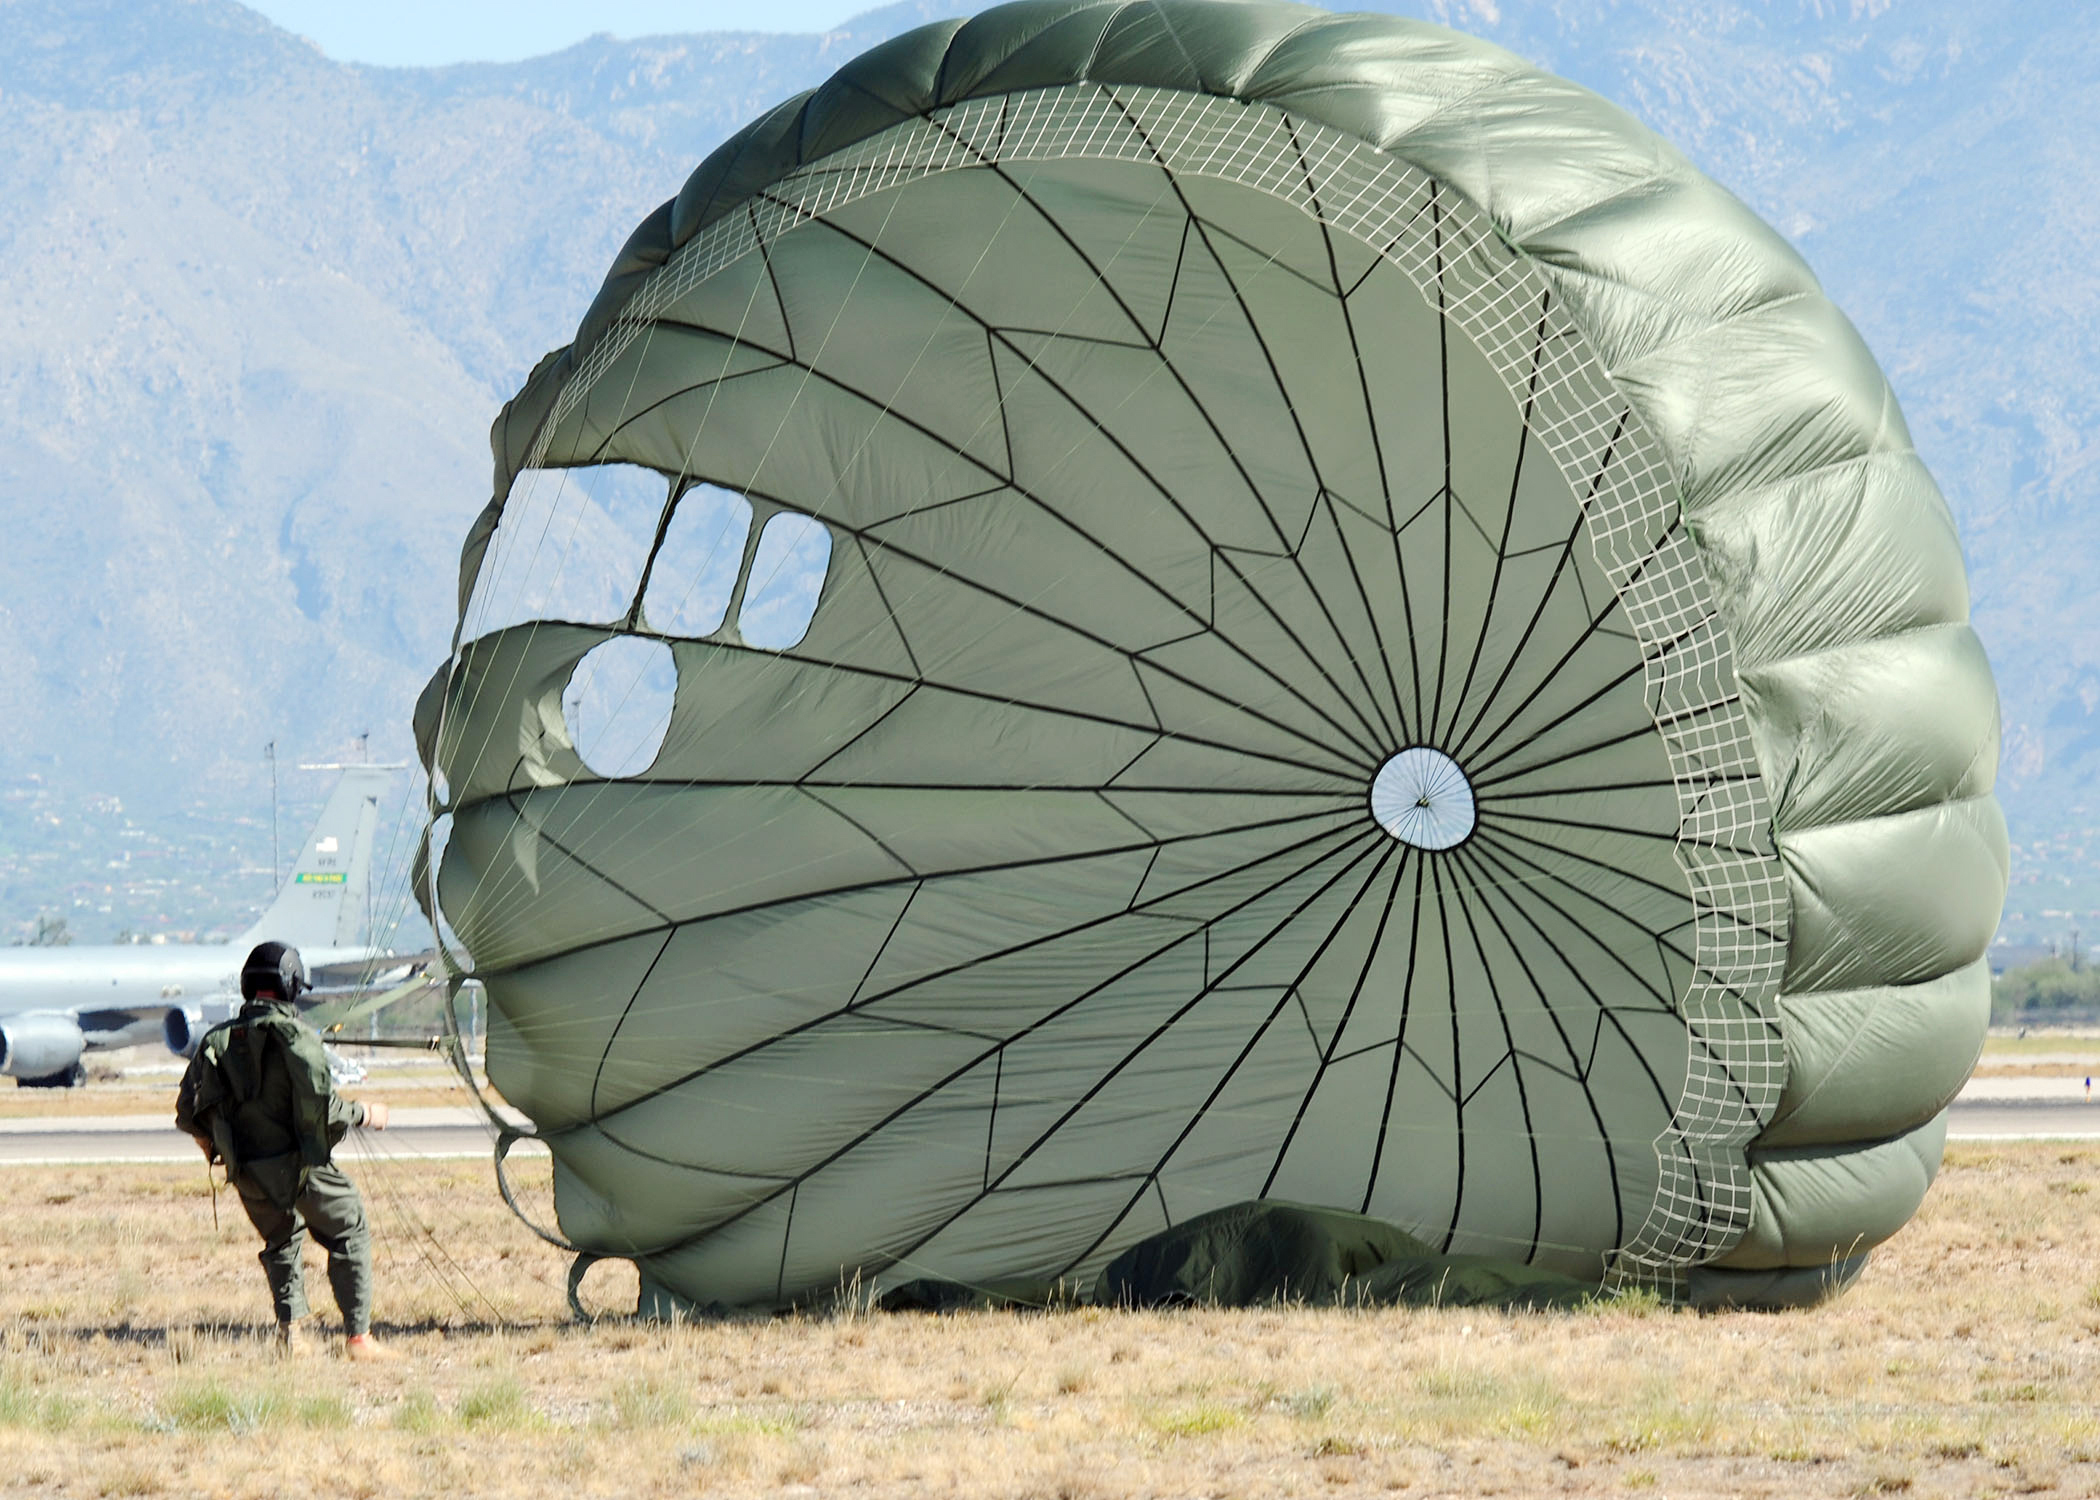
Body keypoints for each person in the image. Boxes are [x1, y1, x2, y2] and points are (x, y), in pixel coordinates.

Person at [176, 940, 397, 1359]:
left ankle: (292, 1334)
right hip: (301, 1168)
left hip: (249, 1172)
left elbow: (188, 1113)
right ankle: (358, 1338)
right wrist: (366, 1113)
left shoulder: (216, 1041)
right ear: (292, 985)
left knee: (281, 1240)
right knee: (349, 1226)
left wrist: (215, 1150)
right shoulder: (298, 1039)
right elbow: (323, 1108)